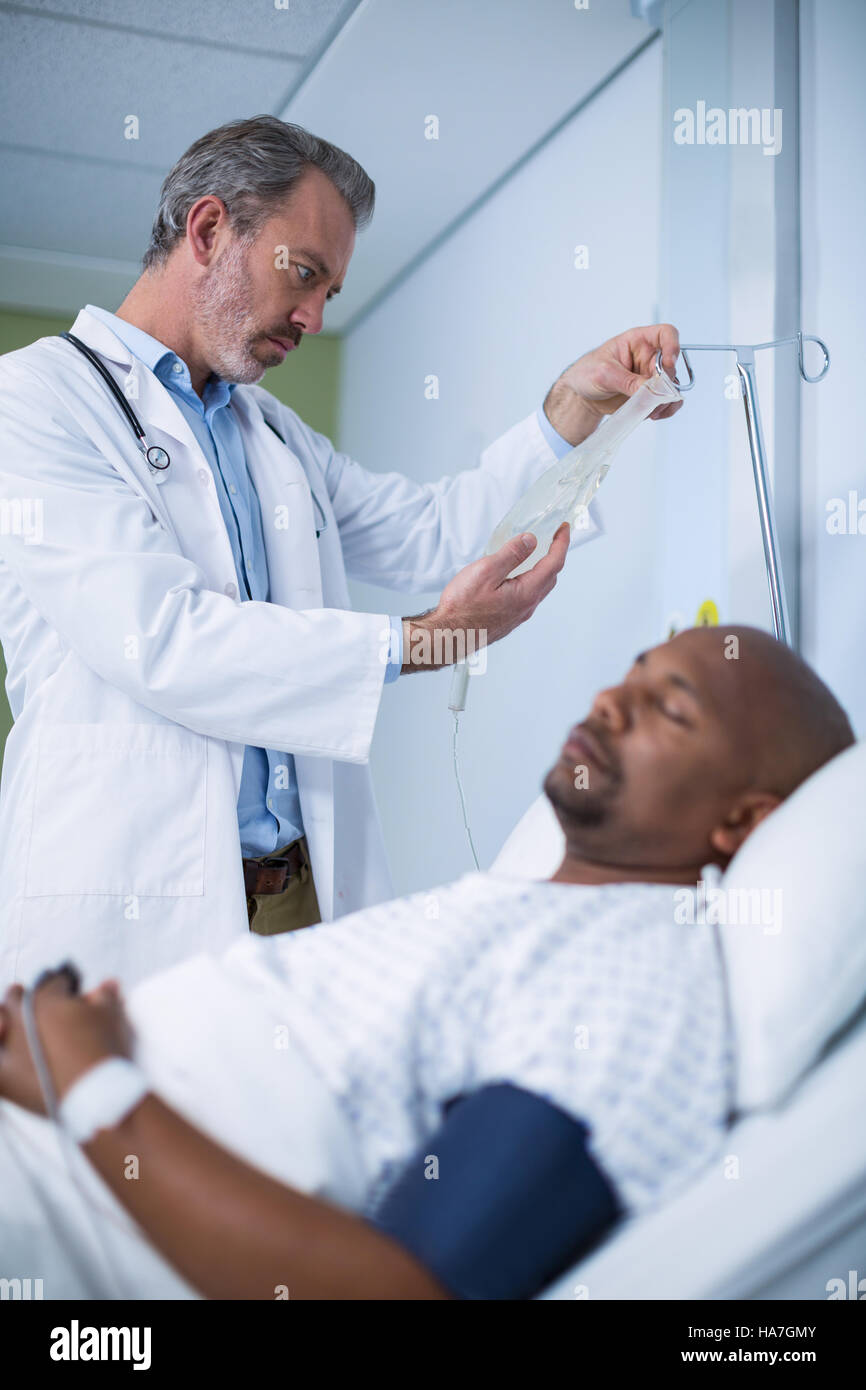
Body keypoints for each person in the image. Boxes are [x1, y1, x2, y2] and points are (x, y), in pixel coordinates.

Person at [0, 113, 682, 988]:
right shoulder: (37, 400)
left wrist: (574, 409)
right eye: (305, 275)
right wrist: (428, 641)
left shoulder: (271, 432)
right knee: (130, 1125)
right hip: (134, 903)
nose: (315, 318)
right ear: (208, 231)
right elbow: (161, 640)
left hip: (299, 898)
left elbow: (432, 533)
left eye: (331, 292)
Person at [0, 626, 853, 1301]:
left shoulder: (640, 980)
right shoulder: (538, 911)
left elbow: (403, 1292)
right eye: (633, 669)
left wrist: (89, 1081)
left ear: (743, 821)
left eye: (671, 708)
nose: (611, 699)